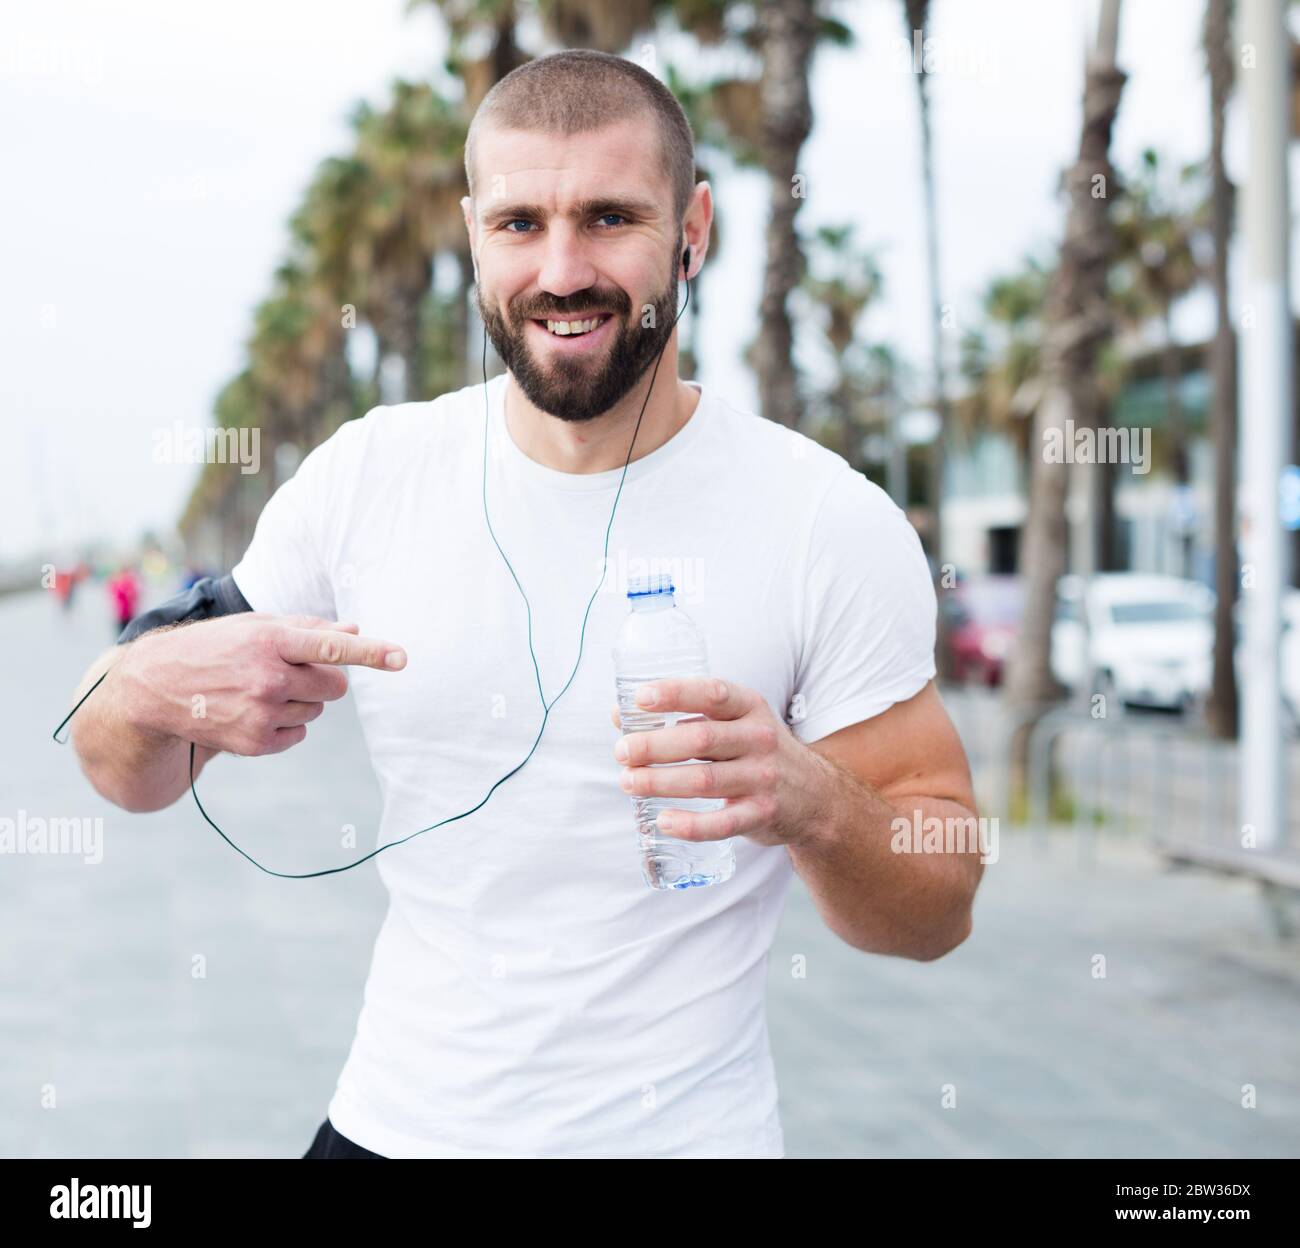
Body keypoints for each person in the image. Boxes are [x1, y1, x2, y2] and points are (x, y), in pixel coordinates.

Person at [67, 50, 982, 1160]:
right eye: (518, 224)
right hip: (389, 1131)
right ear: (471, 234)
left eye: (608, 218)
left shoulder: (824, 520)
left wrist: (809, 800)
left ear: (692, 227)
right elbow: (130, 776)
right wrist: (138, 683)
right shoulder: (369, 474)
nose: (561, 270)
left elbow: (937, 909)